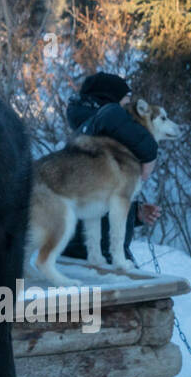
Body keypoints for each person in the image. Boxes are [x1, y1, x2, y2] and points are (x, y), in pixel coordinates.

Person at [60, 72, 164, 266]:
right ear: (109, 101)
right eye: (125, 102)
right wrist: (150, 152)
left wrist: (136, 213)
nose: (128, 108)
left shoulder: (96, 138)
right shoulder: (93, 130)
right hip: (86, 260)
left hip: (96, 258)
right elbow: (111, 115)